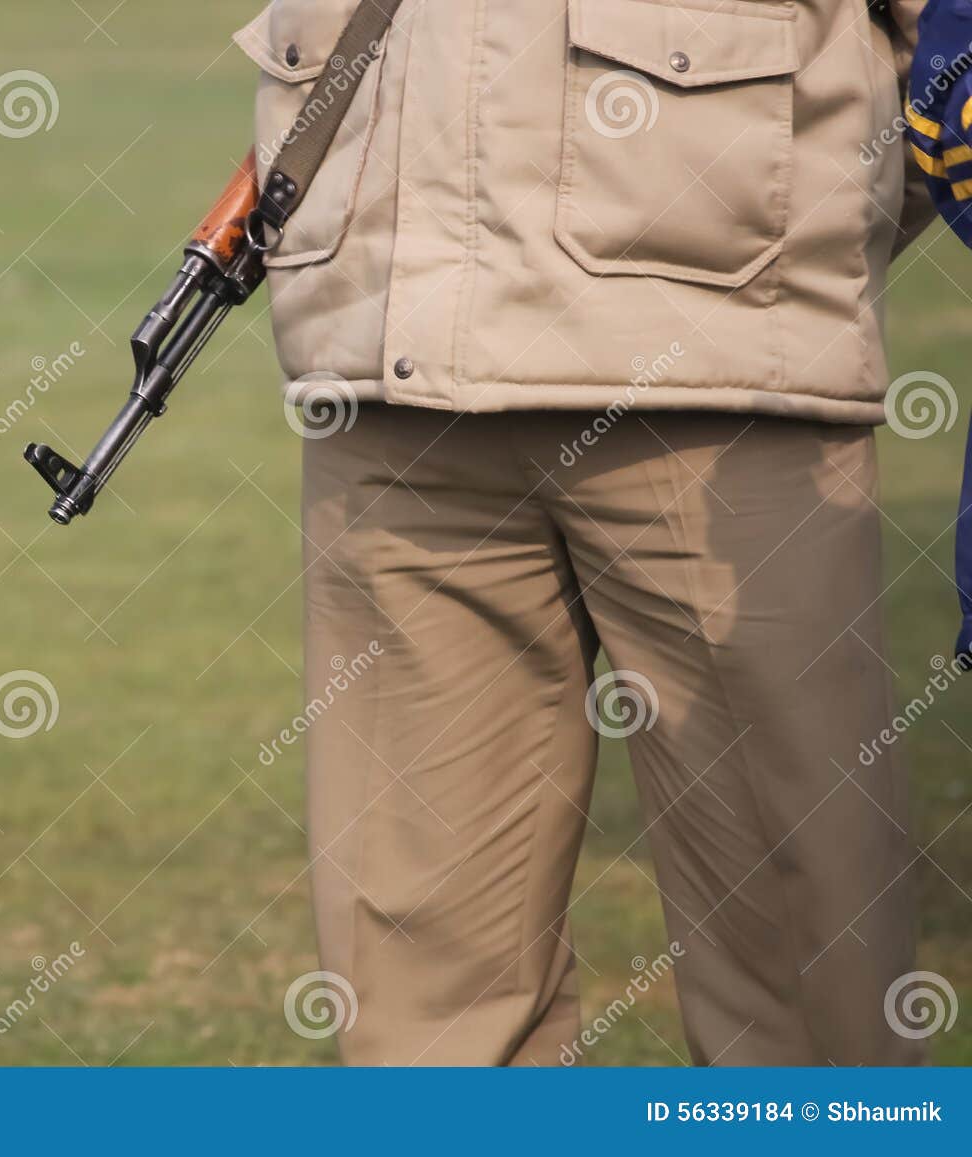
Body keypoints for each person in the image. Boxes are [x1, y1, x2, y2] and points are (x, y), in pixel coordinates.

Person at [233, 0, 947, 1064]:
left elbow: (950, 56)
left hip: (720, 383)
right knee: (416, 1003)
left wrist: (777, 235)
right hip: (390, 365)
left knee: (807, 980)